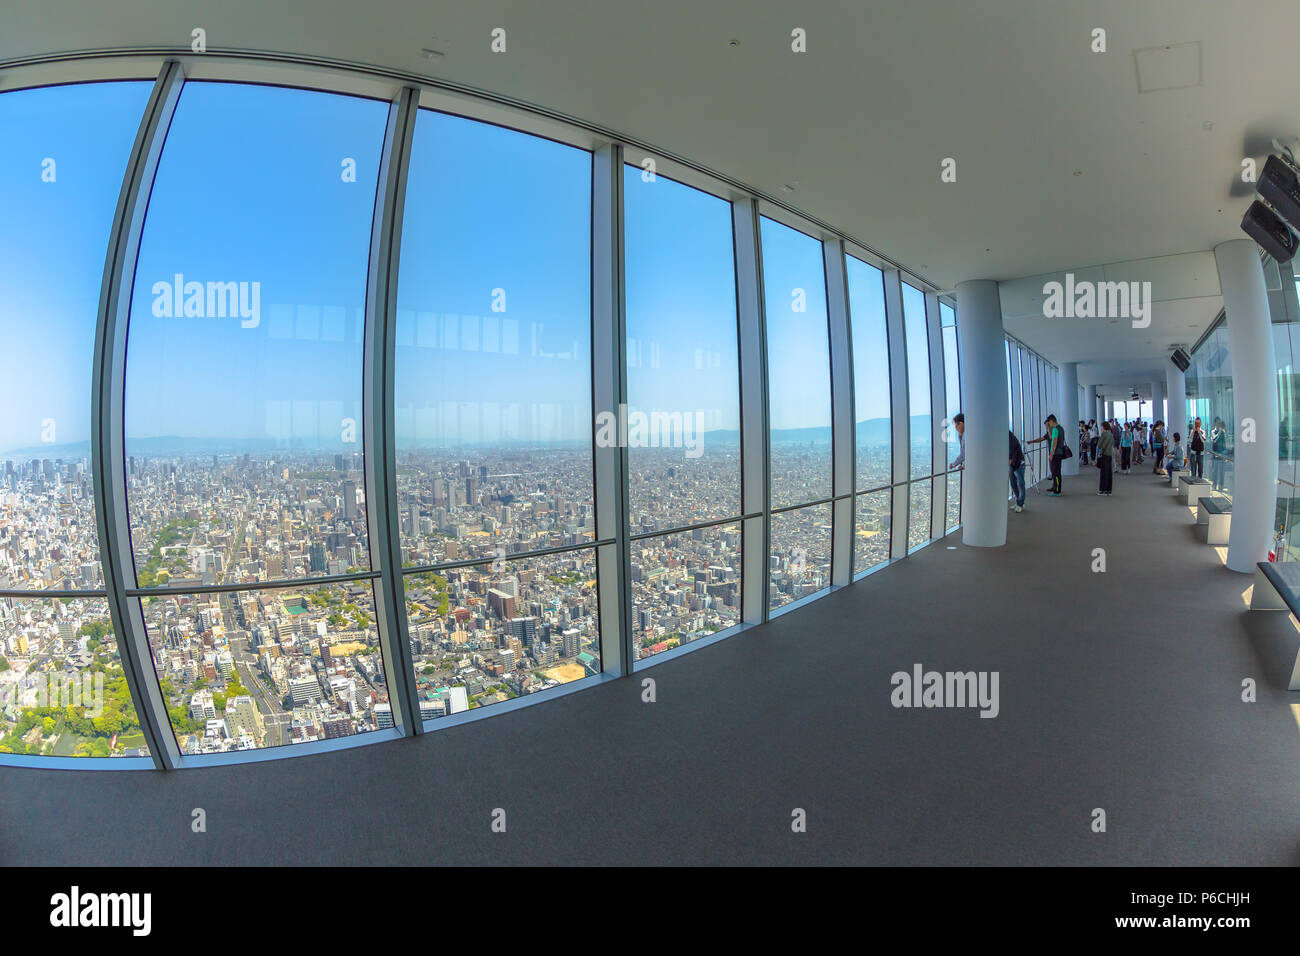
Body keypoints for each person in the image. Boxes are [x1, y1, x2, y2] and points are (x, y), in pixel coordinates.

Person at [1025, 414, 1066, 495]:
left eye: (1048, 423)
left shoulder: (1055, 429)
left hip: (1055, 454)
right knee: (1055, 472)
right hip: (1058, 453)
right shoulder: (1060, 428)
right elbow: (1047, 438)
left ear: (1051, 421)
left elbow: (1054, 442)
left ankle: (1057, 490)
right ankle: (1055, 487)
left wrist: (1051, 454)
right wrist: (1032, 441)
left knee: (1056, 472)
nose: (1048, 425)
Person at [1009, 429, 1026, 512]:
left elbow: (1016, 453)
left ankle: (1020, 504)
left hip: (1019, 463)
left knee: (1021, 484)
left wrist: (1010, 461)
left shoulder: (1012, 440)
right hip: (1013, 464)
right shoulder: (1006, 440)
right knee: (1013, 484)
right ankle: (1019, 501)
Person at [1096, 417, 1114, 495]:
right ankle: (1108, 490)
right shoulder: (1110, 434)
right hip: (1110, 454)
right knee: (1109, 472)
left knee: (1103, 473)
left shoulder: (1104, 434)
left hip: (1104, 454)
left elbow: (1099, 444)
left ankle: (1102, 489)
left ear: (1104, 427)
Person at [1210, 417, 1228, 491]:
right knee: (1215, 471)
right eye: (1217, 422)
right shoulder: (1213, 431)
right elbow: (1214, 440)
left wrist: (1225, 429)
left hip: (1222, 454)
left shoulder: (1222, 432)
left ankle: (1221, 486)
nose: (1218, 424)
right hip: (1215, 454)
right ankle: (1214, 486)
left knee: (1222, 472)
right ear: (1215, 423)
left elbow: (1226, 439)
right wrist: (1220, 431)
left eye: (1219, 422)